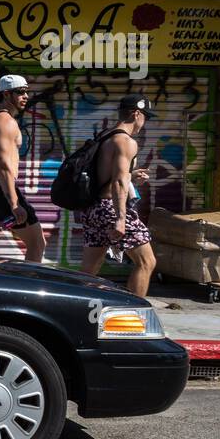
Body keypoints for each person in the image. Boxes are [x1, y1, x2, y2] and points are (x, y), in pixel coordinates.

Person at [78, 95, 155, 296]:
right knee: (146, 262)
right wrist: (121, 218)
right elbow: (119, 182)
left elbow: (114, 176)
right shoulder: (126, 141)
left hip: (94, 208)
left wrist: (131, 176)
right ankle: (134, 317)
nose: (144, 122)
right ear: (136, 114)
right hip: (110, 209)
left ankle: (76, 309)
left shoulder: (106, 135)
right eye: (145, 116)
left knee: (89, 270)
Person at [0, 74, 45, 262]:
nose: (25, 96)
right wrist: (14, 204)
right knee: (37, 243)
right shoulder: (6, 123)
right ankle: (27, 289)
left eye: (26, 92)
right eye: (20, 92)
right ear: (5, 95)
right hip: (1, 189)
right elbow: (2, 163)